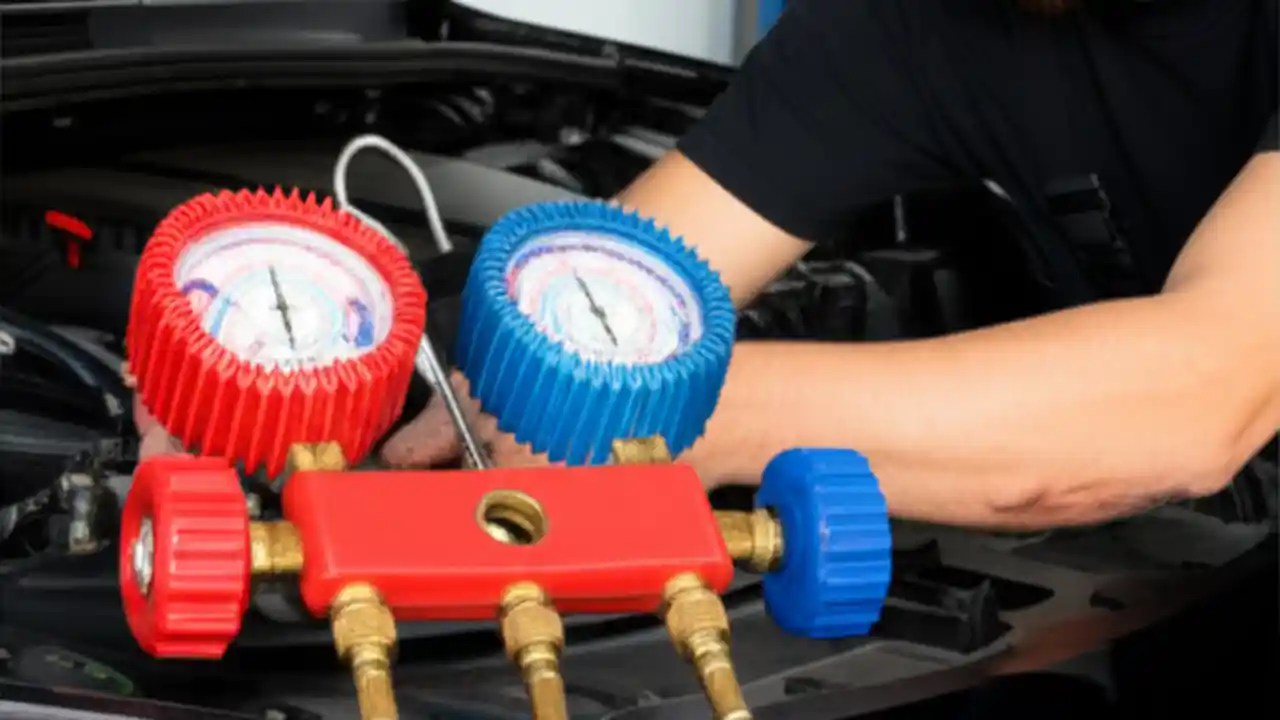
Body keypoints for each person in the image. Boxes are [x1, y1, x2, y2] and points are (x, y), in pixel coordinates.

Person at [137, 0, 1280, 532]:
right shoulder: (916, 29)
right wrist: (272, 378)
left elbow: (1196, 396)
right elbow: (617, 285)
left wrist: (672, 418)